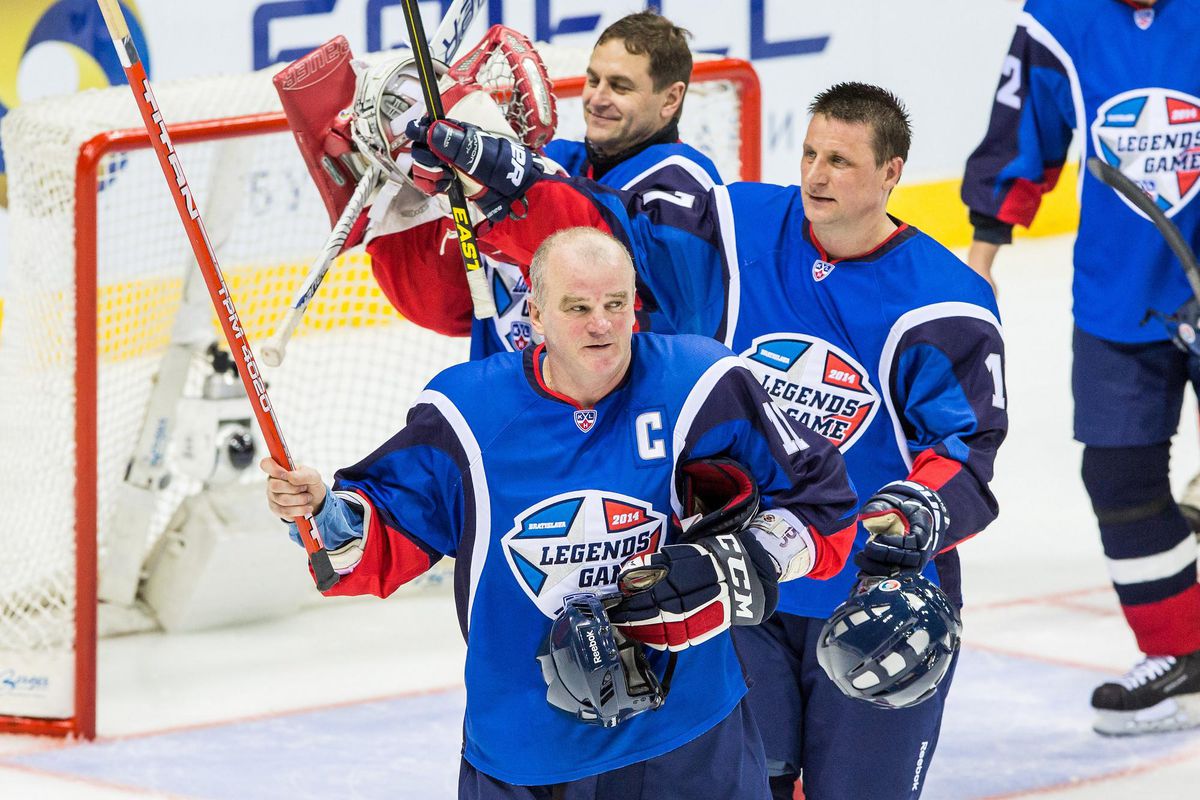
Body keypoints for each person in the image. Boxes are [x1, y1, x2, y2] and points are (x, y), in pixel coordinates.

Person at [408, 82, 1008, 798]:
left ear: (891, 172)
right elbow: (620, 239)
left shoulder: (943, 301)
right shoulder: (741, 222)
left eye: (841, 161)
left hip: (865, 592)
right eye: (811, 153)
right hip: (740, 582)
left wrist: (895, 521)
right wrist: (517, 187)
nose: (816, 175)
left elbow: (967, 456)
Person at [261, 227, 859, 798]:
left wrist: (742, 560)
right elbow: (383, 533)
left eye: (615, 304)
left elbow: (823, 501)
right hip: (526, 748)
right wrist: (319, 513)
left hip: (688, 736)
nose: (600, 324)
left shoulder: (699, 383)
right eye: (576, 308)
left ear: (635, 308)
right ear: (536, 318)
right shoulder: (468, 414)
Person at [962, 0, 1200, 736]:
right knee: (1118, 477)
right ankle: (1180, 652)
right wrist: (980, 263)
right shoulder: (1059, 18)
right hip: (1120, 297)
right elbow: (1017, 137)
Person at [364, 10, 725, 359]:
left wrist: (504, 186)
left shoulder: (685, 188)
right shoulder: (559, 160)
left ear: (671, 98)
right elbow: (453, 307)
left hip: (611, 413)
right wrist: (407, 200)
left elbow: (604, 278)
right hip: (515, 402)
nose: (597, 98)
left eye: (620, 87)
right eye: (593, 79)